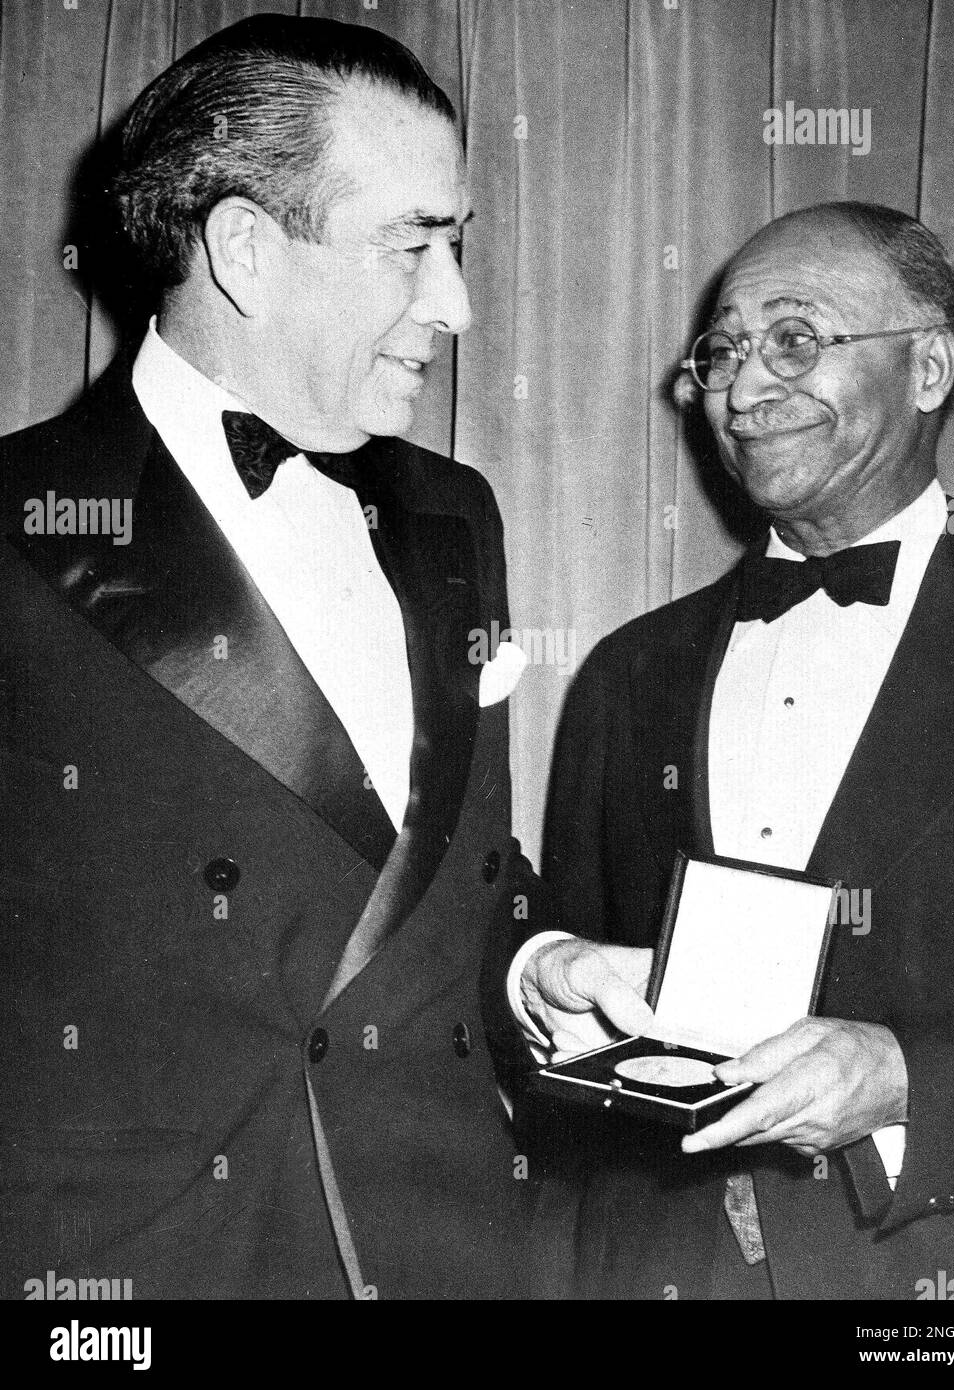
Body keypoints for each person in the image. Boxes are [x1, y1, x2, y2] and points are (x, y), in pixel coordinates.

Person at [0, 14, 543, 1301]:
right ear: (244, 249)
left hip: (449, 1253)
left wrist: (538, 958)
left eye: (453, 245)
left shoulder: (460, 513)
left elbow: (445, 866)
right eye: (412, 248)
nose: (455, 305)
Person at [514, 202, 954, 1300]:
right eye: (722, 353)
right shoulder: (625, 673)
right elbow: (563, 1003)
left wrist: (908, 1080)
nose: (745, 391)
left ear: (929, 366)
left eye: (796, 339)